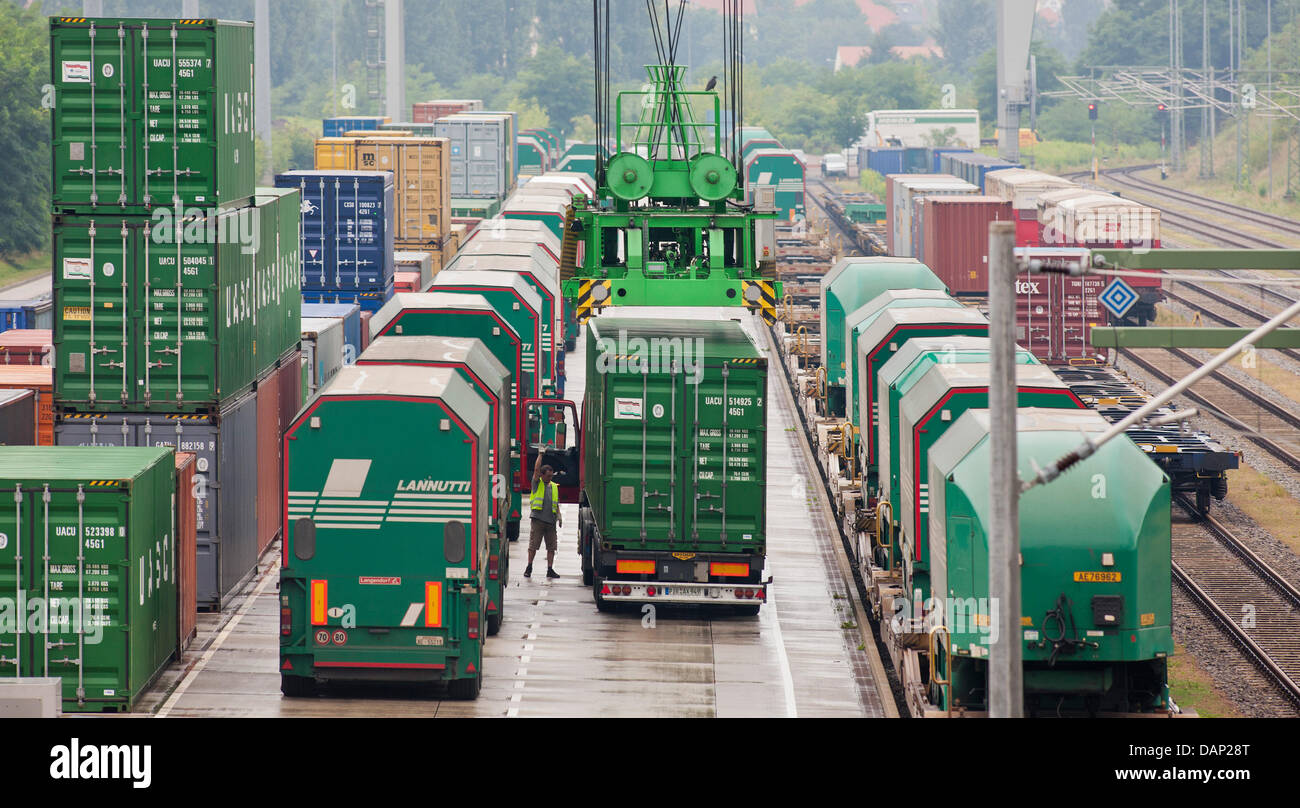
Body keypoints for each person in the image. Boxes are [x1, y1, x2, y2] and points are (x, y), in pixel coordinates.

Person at [526, 450, 562, 578]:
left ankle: (550, 569)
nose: (550, 478)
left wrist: (559, 515)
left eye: (551, 476)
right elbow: (536, 469)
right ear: (542, 475)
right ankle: (529, 567)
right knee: (533, 546)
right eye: (548, 476)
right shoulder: (537, 483)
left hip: (551, 522)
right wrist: (540, 455)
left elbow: (555, 502)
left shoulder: (554, 486)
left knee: (551, 547)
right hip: (538, 520)